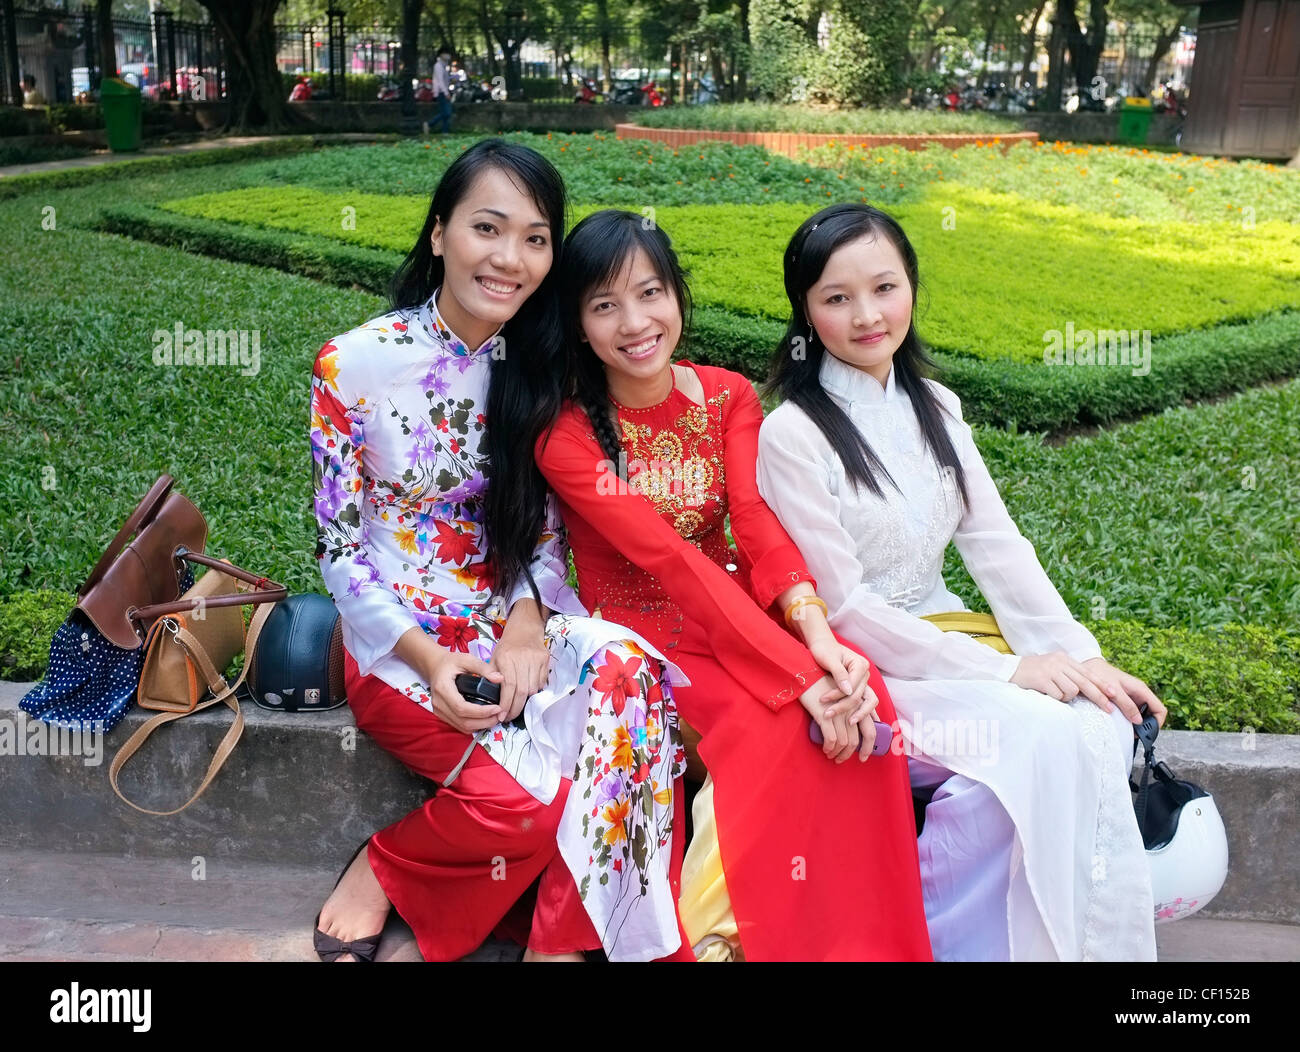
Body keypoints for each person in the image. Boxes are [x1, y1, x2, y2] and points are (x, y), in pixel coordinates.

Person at [311, 140, 688, 963]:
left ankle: (560, 942)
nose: (510, 258)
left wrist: (526, 623)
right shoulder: (355, 364)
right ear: (441, 233)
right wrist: (431, 662)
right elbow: (338, 550)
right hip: (397, 640)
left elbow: (544, 530)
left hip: (517, 622)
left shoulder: (540, 370)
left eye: (535, 237)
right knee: (533, 805)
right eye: (488, 228)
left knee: (636, 676)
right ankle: (387, 867)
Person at [756, 202, 1165, 961]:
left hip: (949, 641)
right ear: (805, 313)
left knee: (1096, 723)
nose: (868, 315)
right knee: (1038, 741)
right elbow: (844, 606)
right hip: (869, 669)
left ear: (911, 285)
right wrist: (1013, 667)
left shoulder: (936, 407)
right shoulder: (794, 433)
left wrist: (1080, 655)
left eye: (884, 287)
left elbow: (996, 544)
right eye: (836, 298)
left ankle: (1048, 943)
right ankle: (947, 940)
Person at [529, 209, 934, 961]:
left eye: (651, 293)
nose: (636, 322)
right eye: (604, 305)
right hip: (647, 635)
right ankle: (713, 936)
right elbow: (669, 561)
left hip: (745, 611)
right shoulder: (567, 433)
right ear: (577, 323)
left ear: (677, 294)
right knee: (778, 724)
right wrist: (794, 676)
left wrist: (817, 637)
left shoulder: (727, 396)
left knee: (863, 693)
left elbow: (753, 522)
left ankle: (860, 942)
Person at [431, 48, 453, 133]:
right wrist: (446, 93)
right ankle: (430, 124)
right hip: (441, 92)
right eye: (446, 53)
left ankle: (445, 131)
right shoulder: (438, 66)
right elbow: (440, 81)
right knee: (446, 113)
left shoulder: (444, 65)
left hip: (444, 91)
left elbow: (444, 79)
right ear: (441, 54)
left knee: (446, 113)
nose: (448, 56)